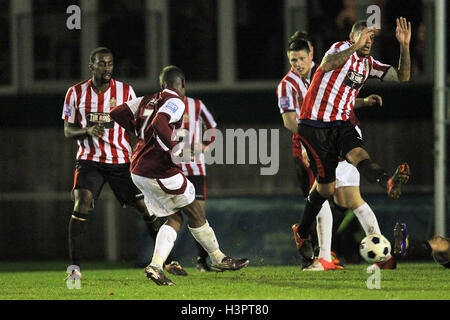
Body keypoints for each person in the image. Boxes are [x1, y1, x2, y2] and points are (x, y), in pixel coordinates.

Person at [110, 65, 249, 286]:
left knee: (174, 217)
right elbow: (159, 123)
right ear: (182, 84)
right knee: (195, 211)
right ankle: (219, 258)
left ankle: (155, 266)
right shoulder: (176, 101)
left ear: (162, 84)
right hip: (160, 169)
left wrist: (139, 131)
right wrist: (175, 147)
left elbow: (116, 113)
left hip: (138, 170)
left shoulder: (148, 99)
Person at [293, 18, 413, 268]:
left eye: (371, 38)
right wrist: (353, 45)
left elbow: (402, 76)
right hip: (314, 125)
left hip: (341, 124)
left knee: (358, 153)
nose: (368, 41)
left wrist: (404, 46)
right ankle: (302, 231)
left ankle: (387, 182)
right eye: (364, 36)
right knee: (326, 190)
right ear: (352, 36)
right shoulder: (339, 49)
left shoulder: (367, 64)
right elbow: (327, 65)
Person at [62, 47, 185, 279]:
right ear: (92, 66)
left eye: (110, 63)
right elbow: (68, 131)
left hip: (121, 161)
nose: (107, 67)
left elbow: (137, 125)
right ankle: (74, 268)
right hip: (90, 160)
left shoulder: (125, 91)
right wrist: (87, 130)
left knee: (146, 209)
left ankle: (165, 262)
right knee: (82, 203)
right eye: (101, 63)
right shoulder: (75, 93)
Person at [277, 32, 394, 271]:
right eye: (293, 61)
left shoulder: (327, 71)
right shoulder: (287, 85)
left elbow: (340, 100)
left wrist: (363, 102)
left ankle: (371, 255)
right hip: (308, 145)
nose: (298, 64)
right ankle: (319, 256)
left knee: (347, 198)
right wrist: (307, 143)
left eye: (301, 58)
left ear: (311, 55)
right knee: (323, 197)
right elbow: (290, 122)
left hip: (334, 138)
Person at [176, 95, 217, 272]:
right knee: (171, 217)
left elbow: (212, 126)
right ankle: (166, 262)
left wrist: (206, 147)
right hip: (171, 169)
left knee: (198, 215)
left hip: (195, 169)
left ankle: (202, 261)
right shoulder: (160, 105)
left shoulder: (196, 105)